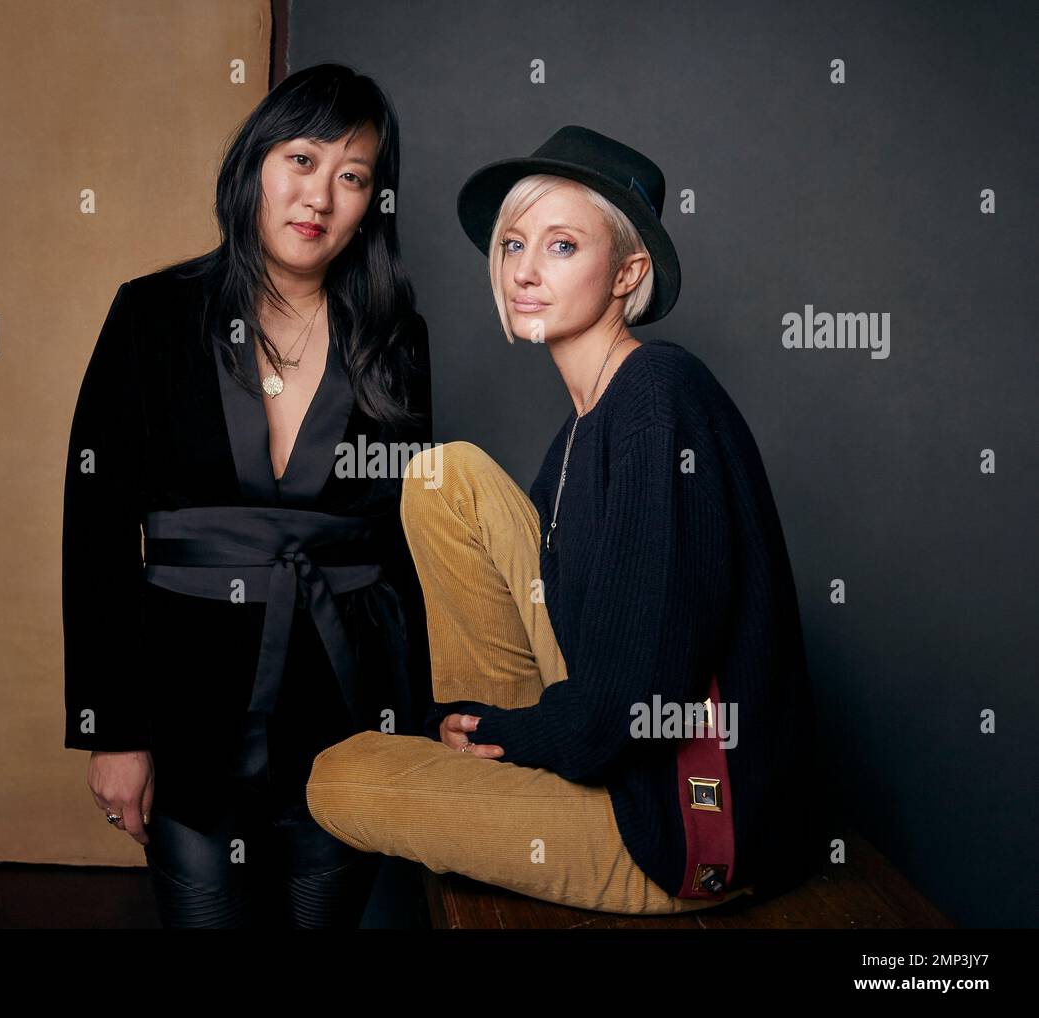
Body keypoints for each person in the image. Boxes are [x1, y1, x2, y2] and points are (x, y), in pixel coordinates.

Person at [307, 126, 819, 915]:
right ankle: (491, 750)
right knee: (447, 476)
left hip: (676, 833)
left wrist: (508, 737)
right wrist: (487, 727)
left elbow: (641, 693)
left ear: (628, 273)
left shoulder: (660, 393)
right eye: (514, 245)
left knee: (339, 776)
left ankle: (495, 753)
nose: (526, 271)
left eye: (563, 246)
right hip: (595, 757)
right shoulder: (579, 433)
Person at [62, 63, 433, 928]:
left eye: (353, 176)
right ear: (254, 165)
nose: (321, 197)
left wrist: (424, 716)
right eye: (301, 160)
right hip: (184, 700)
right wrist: (113, 731)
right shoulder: (152, 315)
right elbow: (97, 530)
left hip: (345, 702)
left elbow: (411, 537)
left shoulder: (395, 337)